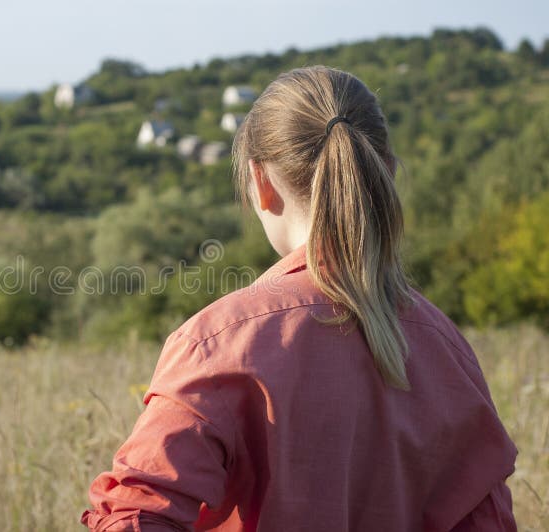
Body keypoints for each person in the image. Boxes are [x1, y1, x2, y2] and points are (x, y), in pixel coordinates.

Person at [80, 66, 518, 531]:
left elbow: (136, 516)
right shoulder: (447, 350)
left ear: (260, 182)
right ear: (386, 173)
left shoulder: (219, 346)